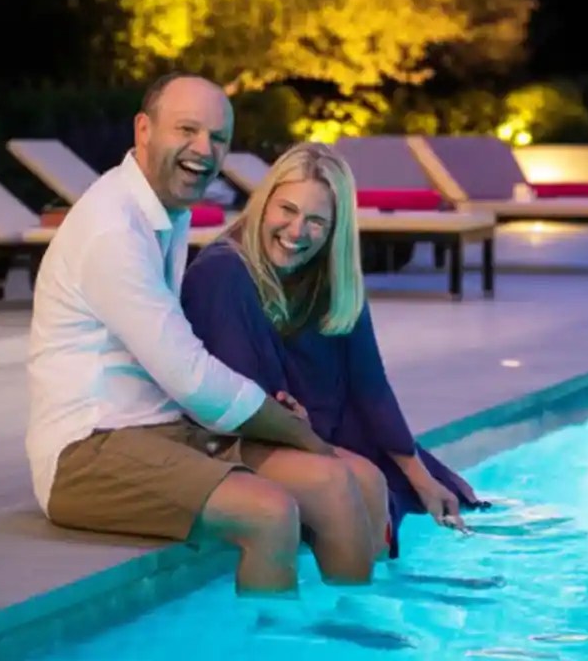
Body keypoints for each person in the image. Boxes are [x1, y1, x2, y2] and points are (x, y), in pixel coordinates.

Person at [26, 72, 383, 595]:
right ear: (143, 130)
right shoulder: (113, 230)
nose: (203, 149)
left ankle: (357, 639)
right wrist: (295, 431)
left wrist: (278, 418)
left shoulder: (165, 214)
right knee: (269, 514)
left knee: (358, 482)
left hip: (164, 428)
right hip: (88, 450)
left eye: (218, 138)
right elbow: (189, 375)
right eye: (187, 130)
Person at [179, 142, 488, 561]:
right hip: (245, 432)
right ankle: (348, 609)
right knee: (361, 481)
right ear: (264, 202)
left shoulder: (331, 275)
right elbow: (241, 397)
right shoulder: (223, 272)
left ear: (335, 229)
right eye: (286, 210)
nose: (296, 231)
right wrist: (299, 432)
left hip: (311, 423)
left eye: (316, 221)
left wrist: (420, 476)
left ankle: (368, 600)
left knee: (397, 484)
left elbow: (370, 384)